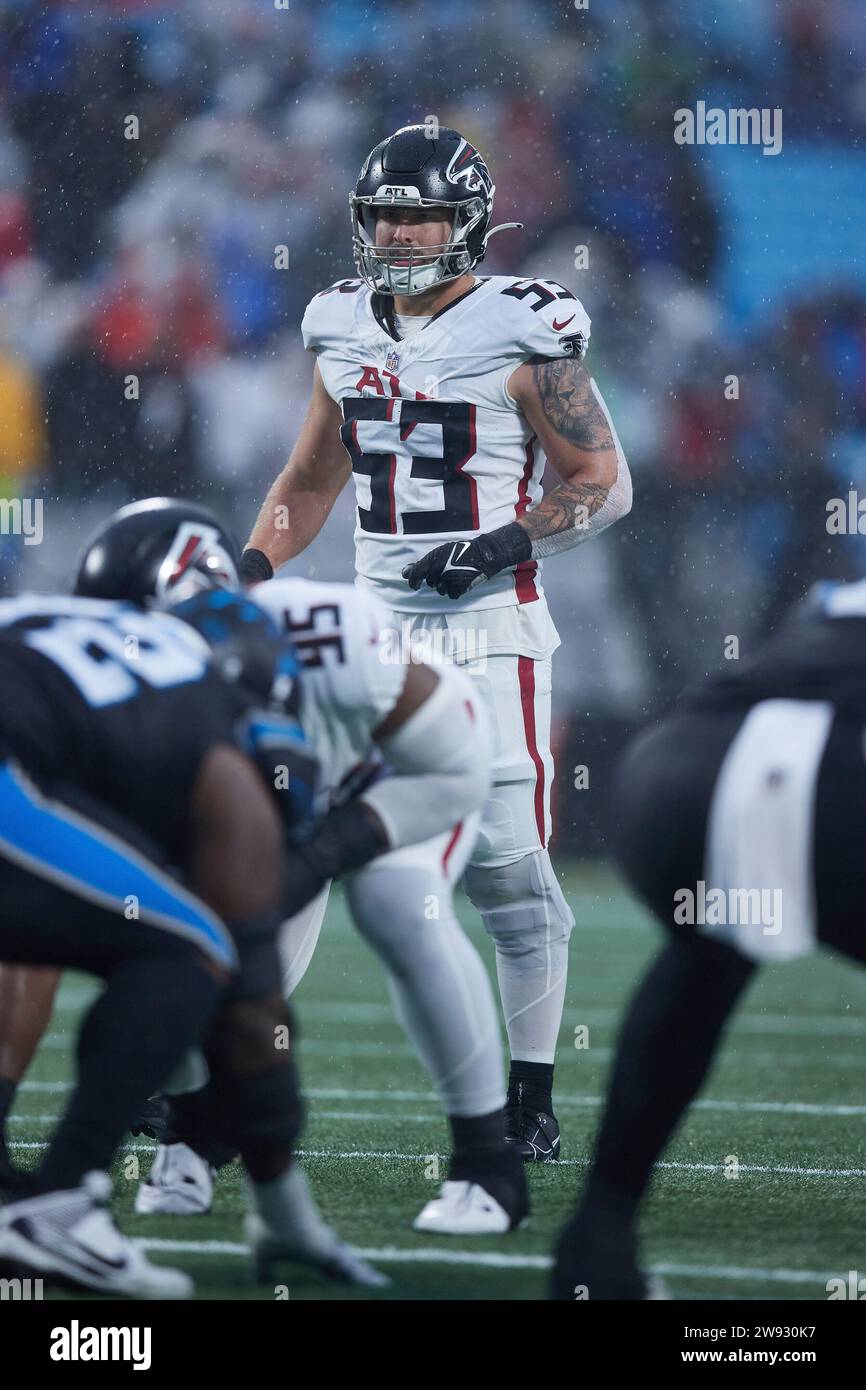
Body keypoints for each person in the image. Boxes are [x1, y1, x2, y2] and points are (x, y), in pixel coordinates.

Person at [240, 124, 633, 1160]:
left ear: (469, 222)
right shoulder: (337, 322)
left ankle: (530, 1099)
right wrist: (249, 570)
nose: (398, 234)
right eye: (383, 215)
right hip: (366, 632)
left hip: (488, 632)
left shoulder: (522, 326)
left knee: (510, 873)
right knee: (292, 852)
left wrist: (499, 543)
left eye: (419, 217)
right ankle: (230, 1080)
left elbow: (602, 482)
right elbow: (310, 478)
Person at [76, 496, 527, 1236]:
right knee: (179, 936)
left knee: (395, 904)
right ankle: (193, 1132)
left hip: (399, 773)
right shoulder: (118, 696)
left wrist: (326, 851)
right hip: (269, 809)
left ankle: (488, 1165)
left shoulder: (330, 638)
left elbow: (458, 763)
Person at [0, 578, 384, 1295]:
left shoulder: (101, 651)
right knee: (189, 945)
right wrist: (284, 1198)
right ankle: (63, 1202)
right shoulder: (218, 720)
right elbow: (251, 995)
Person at [552, 579, 866, 1298]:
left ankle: (598, 1236)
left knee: (708, 954)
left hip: (677, 772)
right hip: (821, 777)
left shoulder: (836, 596)